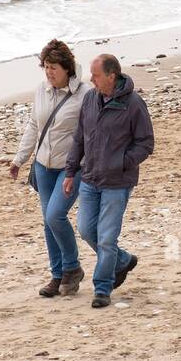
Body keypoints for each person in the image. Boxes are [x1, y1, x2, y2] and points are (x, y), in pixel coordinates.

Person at [63, 54, 154, 309]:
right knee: (86, 230)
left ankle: (102, 287)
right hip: (90, 179)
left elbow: (146, 143)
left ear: (111, 76)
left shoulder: (134, 104)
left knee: (106, 238)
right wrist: (71, 172)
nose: (91, 80)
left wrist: (120, 162)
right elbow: (79, 138)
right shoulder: (91, 99)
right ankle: (123, 260)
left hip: (118, 182)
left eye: (96, 75)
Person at [10, 39, 88, 297]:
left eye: (53, 67)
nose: (49, 72)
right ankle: (58, 275)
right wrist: (19, 159)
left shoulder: (84, 94)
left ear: (67, 68)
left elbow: (93, 133)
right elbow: (34, 125)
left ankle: (72, 268)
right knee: (48, 222)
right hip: (43, 166)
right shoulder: (41, 90)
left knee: (55, 215)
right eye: (45, 67)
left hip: (71, 168)